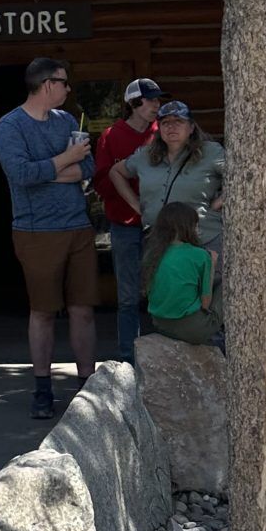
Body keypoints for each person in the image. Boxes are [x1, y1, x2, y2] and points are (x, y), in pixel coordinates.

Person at [0, 57, 97, 421]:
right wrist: (65, 160)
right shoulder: (11, 125)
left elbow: (88, 167)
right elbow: (20, 173)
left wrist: (52, 170)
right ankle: (43, 388)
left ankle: (88, 387)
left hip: (78, 226)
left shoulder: (68, 121)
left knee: (83, 309)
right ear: (47, 84)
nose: (69, 89)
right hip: (36, 231)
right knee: (43, 312)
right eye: (64, 82)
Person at [93, 79, 163, 363]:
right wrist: (129, 173)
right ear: (134, 103)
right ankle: (128, 360)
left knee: (164, 291)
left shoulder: (164, 132)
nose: (156, 105)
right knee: (127, 298)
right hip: (124, 224)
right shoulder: (111, 136)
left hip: (160, 226)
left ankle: (164, 357)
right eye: (150, 100)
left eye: (158, 100)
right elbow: (101, 181)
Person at [111, 100, 226, 256]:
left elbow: (241, 178)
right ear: (159, 129)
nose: (172, 127)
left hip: (203, 240)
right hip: (159, 242)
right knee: (160, 281)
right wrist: (137, 206)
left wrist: (219, 202)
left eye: (179, 121)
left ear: (191, 127)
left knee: (206, 281)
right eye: (165, 122)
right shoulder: (145, 156)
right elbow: (116, 172)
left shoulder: (211, 152)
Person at [144, 201, 222, 346]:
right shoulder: (200, 255)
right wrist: (212, 266)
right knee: (227, 286)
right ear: (188, 227)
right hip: (192, 331)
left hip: (160, 325)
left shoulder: (153, 255)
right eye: (196, 225)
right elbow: (205, 304)